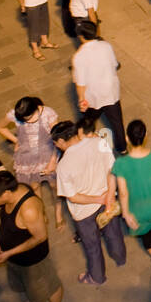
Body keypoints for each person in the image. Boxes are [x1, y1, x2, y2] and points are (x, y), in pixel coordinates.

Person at [52, 119, 127, 287]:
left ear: (62, 141)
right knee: (114, 232)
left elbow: (72, 197)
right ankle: (120, 258)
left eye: (56, 143)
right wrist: (108, 196)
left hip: (84, 212)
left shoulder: (63, 165)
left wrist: (98, 199)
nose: (57, 146)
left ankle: (97, 277)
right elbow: (112, 170)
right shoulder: (99, 141)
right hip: (107, 201)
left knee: (92, 246)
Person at [0, 171, 65, 302]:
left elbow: (40, 237)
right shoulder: (18, 189)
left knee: (49, 285)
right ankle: (32, 297)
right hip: (14, 258)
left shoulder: (28, 209)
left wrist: (9, 252)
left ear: (6, 194)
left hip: (33, 260)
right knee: (28, 285)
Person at [113, 121, 151, 287]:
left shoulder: (121, 164)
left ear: (127, 138)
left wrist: (126, 213)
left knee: (148, 239)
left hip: (137, 209)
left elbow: (122, 192)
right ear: (145, 136)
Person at [0, 96, 64, 230]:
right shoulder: (14, 115)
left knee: (55, 186)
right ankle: (41, 211)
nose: (28, 121)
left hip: (48, 153)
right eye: (24, 120)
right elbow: (0, 127)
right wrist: (16, 141)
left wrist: (53, 162)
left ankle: (58, 212)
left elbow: (57, 138)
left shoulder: (48, 114)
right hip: (28, 157)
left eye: (29, 118)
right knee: (34, 187)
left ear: (37, 109)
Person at [72, 20, 125, 154]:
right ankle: (122, 148)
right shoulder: (106, 45)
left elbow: (81, 83)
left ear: (81, 36)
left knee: (88, 120)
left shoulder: (79, 57)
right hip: (110, 92)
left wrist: (81, 99)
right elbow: (114, 64)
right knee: (117, 122)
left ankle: (84, 141)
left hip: (93, 96)